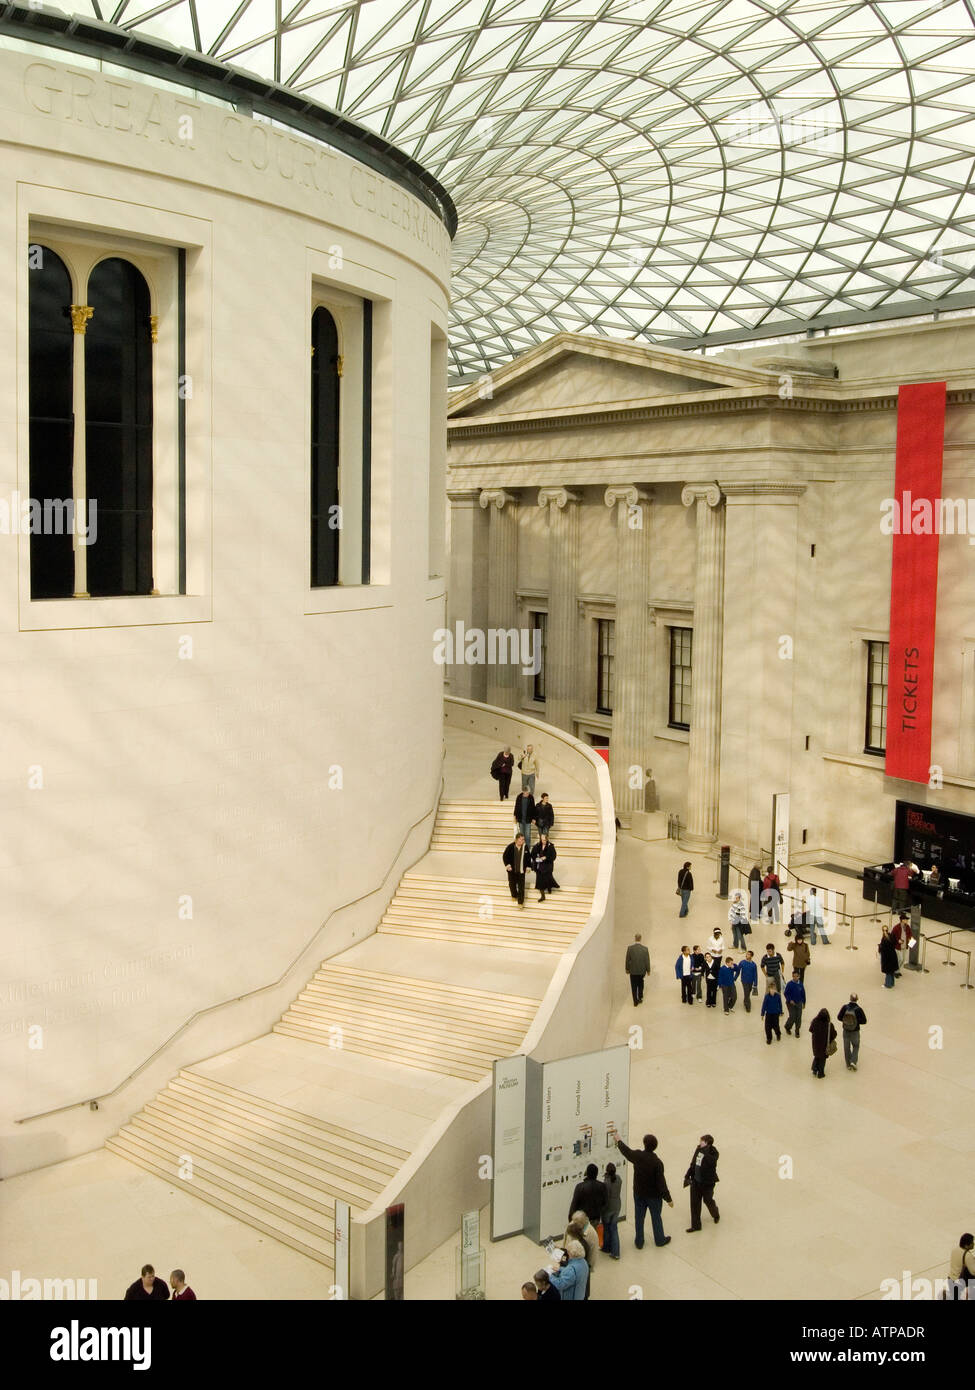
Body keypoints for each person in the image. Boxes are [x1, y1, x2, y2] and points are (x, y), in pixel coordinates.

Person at [615, 1133, 673, 1248]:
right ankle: (660, 1239)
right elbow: (661, 1183)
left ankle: (639, 1242)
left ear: (644, 1144)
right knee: (656, 1217)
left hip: (639, 1193)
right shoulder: (657, 1163)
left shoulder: (638, 1156)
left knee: (639, 1218)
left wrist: (619, 1141)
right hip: (654, 1196)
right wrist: (668, 1199)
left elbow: (626, 1152)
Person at [683, 1135, 720, 1232]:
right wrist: (687, 1175)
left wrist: (704, 1151)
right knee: (694, 1203)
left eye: (702, 1141)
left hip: (707, 1183)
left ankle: (715, 1214)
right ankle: (696, 1226)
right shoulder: (698, 1149)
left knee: (708, 1200)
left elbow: (712, 1162)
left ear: (707, 1143)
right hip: (696, 1181)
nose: (700, 1142)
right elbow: (693, 1163)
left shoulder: (713, 1152)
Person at [567, 1214, 599, 1299]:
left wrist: (590, 1267)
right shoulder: (575, 1229)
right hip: (581, 1266)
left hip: (583, 1267)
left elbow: (593, 1254)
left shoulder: (590, 1235)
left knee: (582, 1289)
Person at [837, 994, 867, 1070]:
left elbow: (839, 1017)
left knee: (846, 1047)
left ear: (850, 998)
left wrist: (846, 1021)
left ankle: (848, 1064)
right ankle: (853, 1061)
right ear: (857, 999)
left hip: (846, 1030)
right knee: (856, 1046)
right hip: (855, 1031)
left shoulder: (845, 1007)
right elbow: (864, 1021)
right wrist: (856, 1022)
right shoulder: (859, 1009)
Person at [601, 1162, 622, 1260]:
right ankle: (615, 1251)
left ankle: (607, 1248)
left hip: (608, 1207)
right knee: (614, 1228)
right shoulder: (619, 1179)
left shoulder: (606, 1182)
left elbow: (606, 1196)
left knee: (607, 1228)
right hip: (617, 1205)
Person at [809, 1007, 836, 1078]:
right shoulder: (829, 1025)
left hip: (815, 1043)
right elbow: (833, 1035)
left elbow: (810, 1030)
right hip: (824, 1045)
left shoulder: (815, 1021)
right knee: (822, 1058)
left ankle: (814, 1069)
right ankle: (821, 1073)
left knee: (817, 1056)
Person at [502, 833, 528, 908]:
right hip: (512, 871)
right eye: (521, 840)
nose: (522, 841)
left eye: (523, 840)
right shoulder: (510, 847)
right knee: (512, 885)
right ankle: (514, 895)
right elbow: (504, 856)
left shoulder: (525, 847)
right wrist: (507, 865)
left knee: (521, 887)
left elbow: (528, 858)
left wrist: (528, 866)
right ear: (516, 840)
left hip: (521, 871)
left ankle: (520, 902)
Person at [530, 832, 558, 902]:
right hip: (539, 866)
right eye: (542, 840)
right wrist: (535, 858)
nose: (543, 841)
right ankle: (543, 896)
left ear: (547, 839)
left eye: (544, 840)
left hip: (547, 866)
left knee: (548, 878)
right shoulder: (538, 845)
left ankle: (549, 887)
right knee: (540, 881)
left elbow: (553, 856)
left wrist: (546, 857)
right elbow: (532, 853)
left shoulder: (550, 846)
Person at [625, 933, 651, 1006]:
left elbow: (627, 959)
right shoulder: (645, 949)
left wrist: (627, 969)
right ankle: (640, 997)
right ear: (641, 938)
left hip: (633, 971)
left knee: (633, 986)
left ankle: (635, 1002)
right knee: (640, 984)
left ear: (635, 938)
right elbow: (647, 960)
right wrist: (648, 970)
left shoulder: (630, 948)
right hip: (641, 971)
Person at [947, 1234, 975, 1299]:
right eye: (972, 1243)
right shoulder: (967, 1256)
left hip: (951, 1279)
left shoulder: (955, 1249)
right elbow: (973, 1272)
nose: (973, 1244)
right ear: (966, 1245)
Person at [783, 970, 806, 1037]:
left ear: (799, 976)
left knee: (798, 1017)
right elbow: (786, 993)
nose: (795, 978)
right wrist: (790, 1000)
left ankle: (797, 1030)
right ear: (792, 976)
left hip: (799, 1003)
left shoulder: (800, 984)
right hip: (790, 1003)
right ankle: (787, 1027)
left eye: (797, 976)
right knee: (792, 1016)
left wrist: (804, 1002)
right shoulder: (789, 984)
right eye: (794, 976)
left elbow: (803, 994)